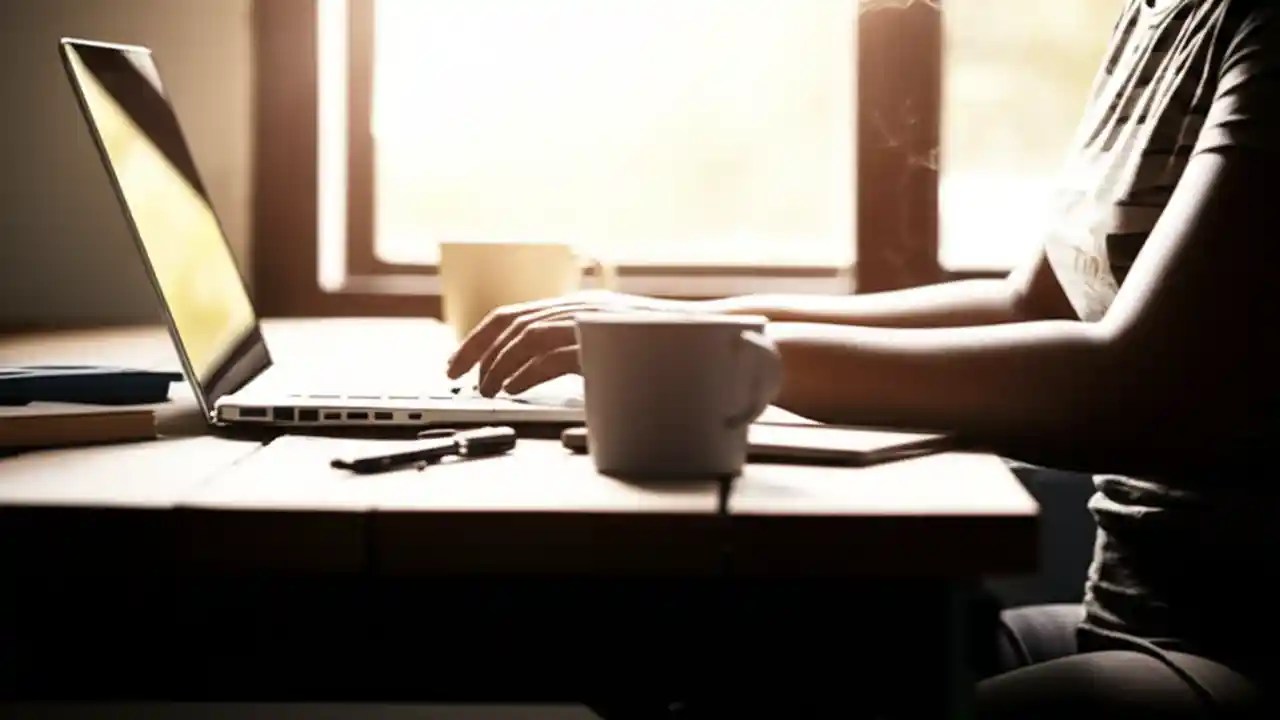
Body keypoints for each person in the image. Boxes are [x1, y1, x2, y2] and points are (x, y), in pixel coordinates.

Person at [445, 0, 1278, 715]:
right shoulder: (1159, 15)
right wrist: (692, 319)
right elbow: (1033, 305)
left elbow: (1140, 388)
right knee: (692, 658)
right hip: (1124, 623)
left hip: (1230, 650)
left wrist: (711, 353)